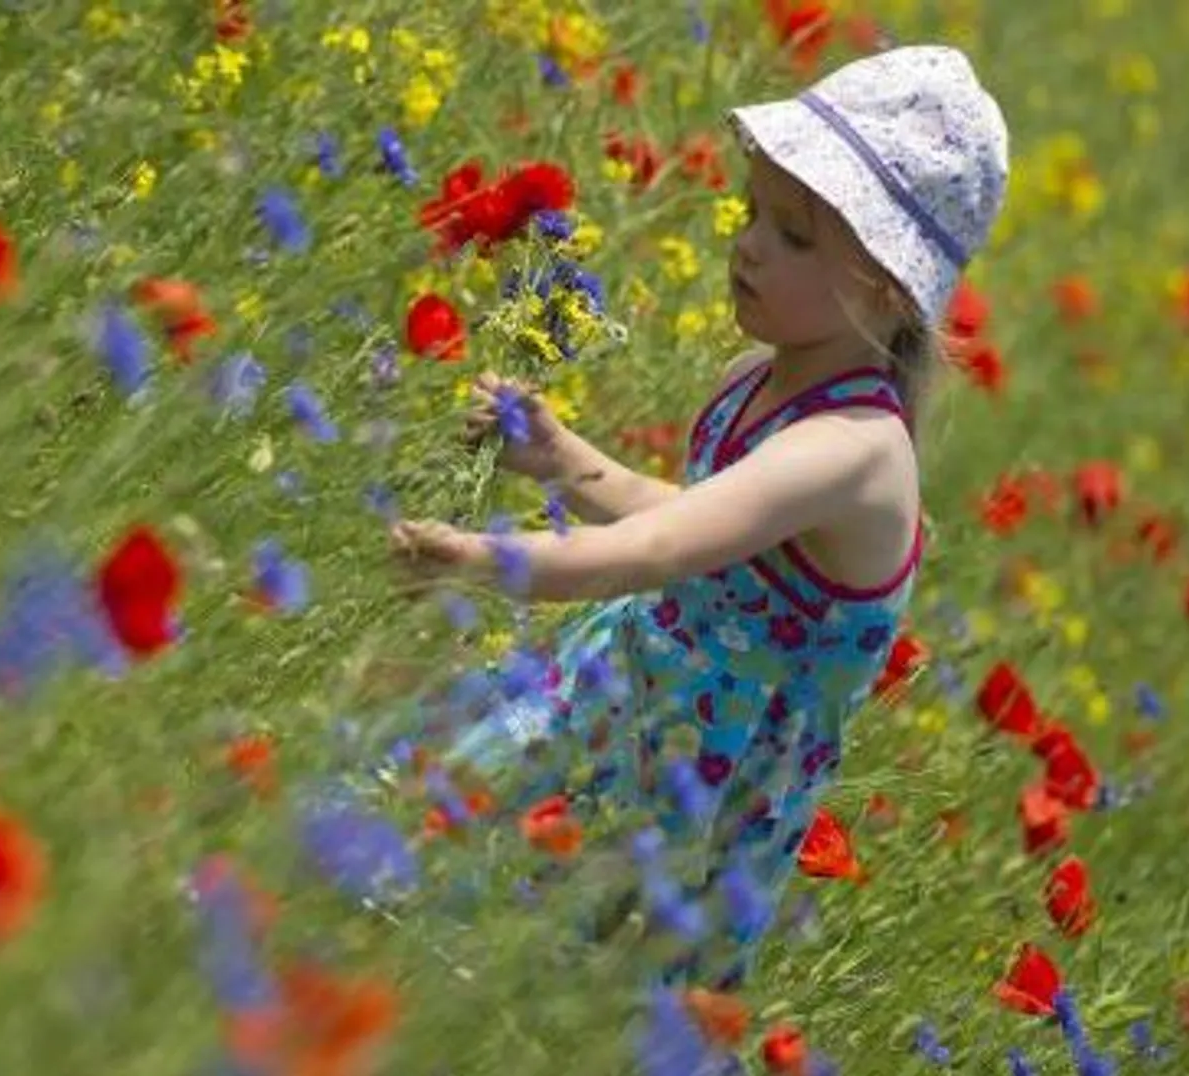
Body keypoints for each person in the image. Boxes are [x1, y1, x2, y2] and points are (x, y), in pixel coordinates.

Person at [383, 44, 1009, 988]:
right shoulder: (756, 379)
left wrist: (484, 558)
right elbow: (706, 528)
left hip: (699, 776)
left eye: (795, 234)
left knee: (551, 988)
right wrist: (567, 460)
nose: (750, 242)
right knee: (428, 888)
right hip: (622, 693)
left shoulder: (854, 450)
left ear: (885, 286)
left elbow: (663, 548)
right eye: (755, 212)